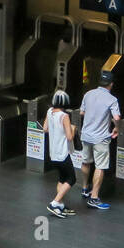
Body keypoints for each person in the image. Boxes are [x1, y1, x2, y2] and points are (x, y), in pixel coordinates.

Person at [78, 68, 121, 210]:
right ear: (111, 84)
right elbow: (116, 118)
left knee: (86, 161)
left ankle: (84, 188)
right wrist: (117, 128)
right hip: (100, 138)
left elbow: (82, 112)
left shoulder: (88, 94)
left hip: (86, 134)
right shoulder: (112, 99)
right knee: (100, 166)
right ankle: (94, 197)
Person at [45, 90, 78, 218]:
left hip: (53, 153)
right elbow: (69, 137)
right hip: (63, 153)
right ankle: (54, 203)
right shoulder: (64, 116)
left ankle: (60, 205)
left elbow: (45, 129)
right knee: (72, 179)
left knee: (62, 178)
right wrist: (73, 129)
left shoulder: (49, 112)